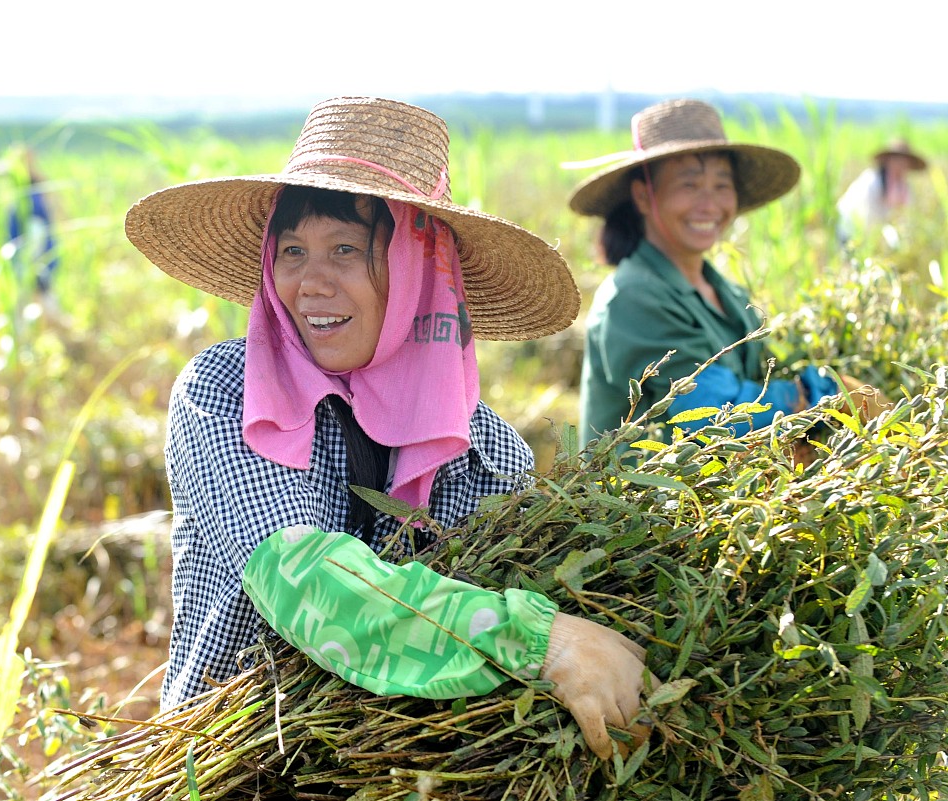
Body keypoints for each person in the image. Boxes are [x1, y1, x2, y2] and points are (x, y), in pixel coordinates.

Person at [125, 96, 657, 760]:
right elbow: (309, 586)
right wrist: (542, 640)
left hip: (397, 765)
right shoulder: (231, 392)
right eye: (292, 250)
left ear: (416, 271)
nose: (310, 283)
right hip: (231, 762)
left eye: (345, 249)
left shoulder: (484, 449)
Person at [567, 98, 847, 445]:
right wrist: (823, 393)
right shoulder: (633, 297)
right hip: (650, 496)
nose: (710, 205)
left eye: (721, 185)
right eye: (689, 184)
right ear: (643, 196)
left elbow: (761, 373)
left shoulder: (725, 292)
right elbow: (713, 413)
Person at [836, 138, 929, 249]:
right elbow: (866, 218)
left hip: (873, 234)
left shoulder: (904, 188)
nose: (901, 165)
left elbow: (906, 216)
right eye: (897, 160)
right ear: (888, 161)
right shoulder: (871, 181)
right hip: (849, 230)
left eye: (904, 162)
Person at [4, 145, 61, 307]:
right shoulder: (26, 188)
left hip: (33, 255)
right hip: (28, 252)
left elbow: (38, 231)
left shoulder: (33, 191)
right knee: (37, 299)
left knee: (38, 298)